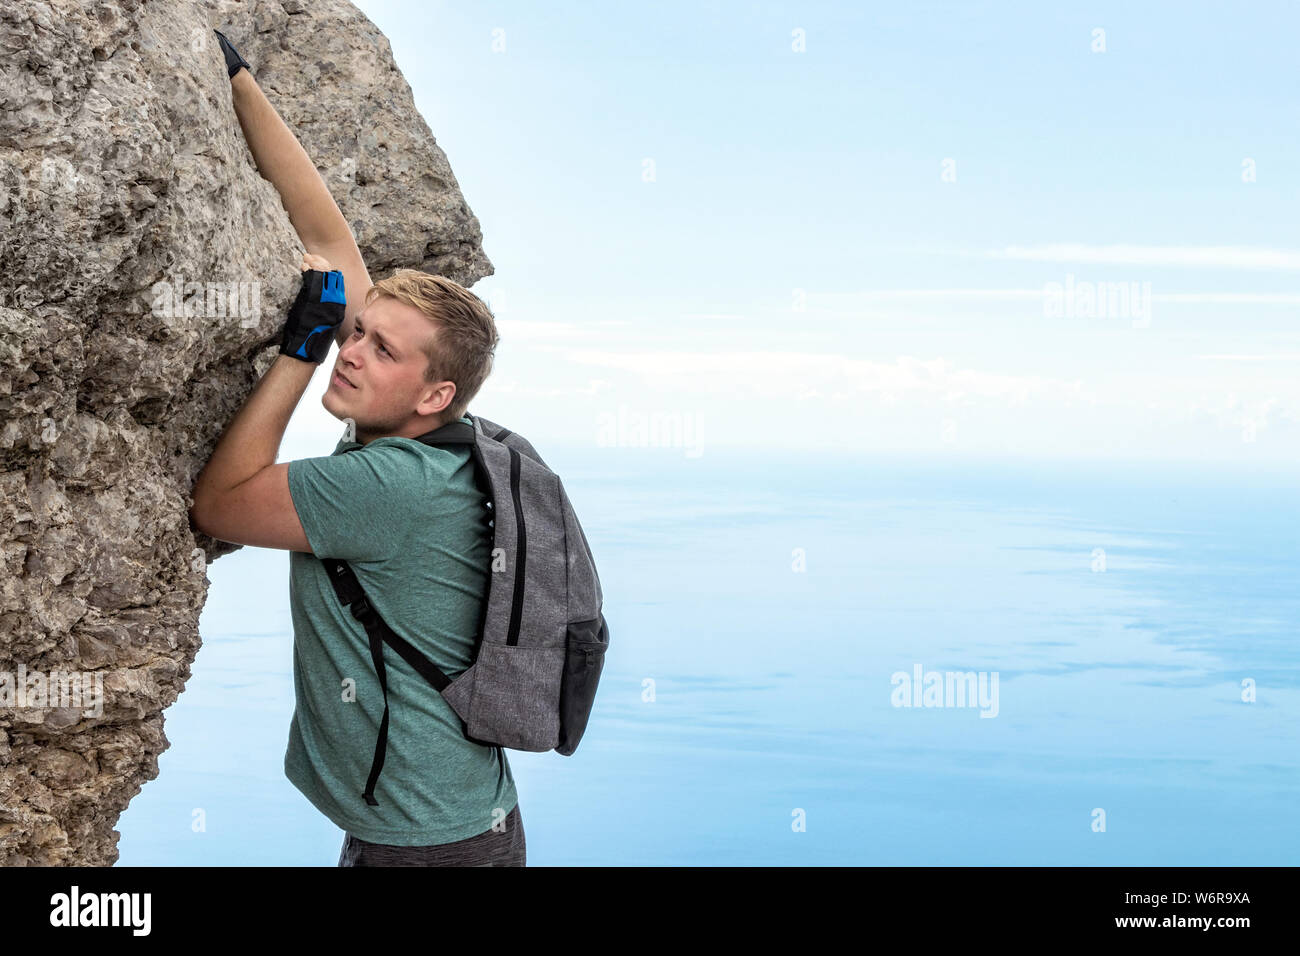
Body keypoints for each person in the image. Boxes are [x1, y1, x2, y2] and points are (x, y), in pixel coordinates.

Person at [189, 31, 524, 867]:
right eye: (357, 334)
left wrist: (298, 354)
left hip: (427, 842)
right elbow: (329, 239)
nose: (354, 351)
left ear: (433, 394)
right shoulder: (438, 437)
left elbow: (221, 503)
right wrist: (236, 80)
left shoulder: (390, 484)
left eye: (382, 351)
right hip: (443, 814)